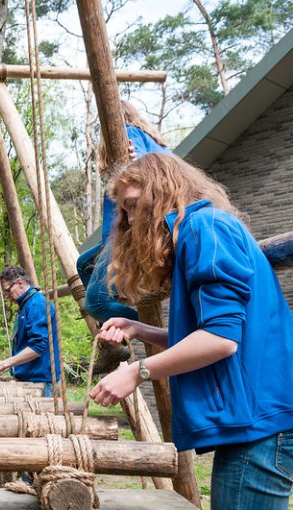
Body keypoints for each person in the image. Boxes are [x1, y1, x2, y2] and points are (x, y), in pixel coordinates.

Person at [90, 153, 293, 510]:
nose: (131, 219)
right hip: (260, 423)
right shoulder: (202, 231)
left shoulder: (205, 228)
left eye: (134, 205)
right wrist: (140, 328)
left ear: (161, 191)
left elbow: (220, 340)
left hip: (262, 426)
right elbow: (210, 334)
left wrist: (137, 372)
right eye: (124, 212)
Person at [77, 100, 171, 373]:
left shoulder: (128, 135)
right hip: (114, 236)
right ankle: (112, 341)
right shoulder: (149, 140)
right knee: (84, 263)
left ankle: (146, 329)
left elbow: (147, 170)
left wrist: (134, 158)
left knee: (95, 301)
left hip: (127, 236)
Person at [0, 266, 61, 397]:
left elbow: (37, 347)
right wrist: (5, 367)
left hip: (41, 382)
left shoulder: (36, 304)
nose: (6, 296)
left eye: (7, 290)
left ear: (19, 282)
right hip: (31, 380)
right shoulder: (27, 305)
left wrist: (3, 364)